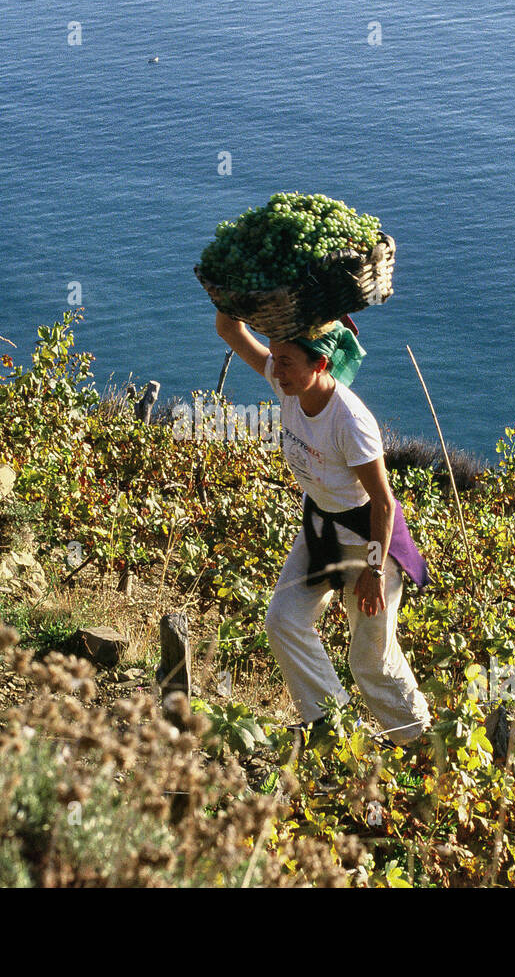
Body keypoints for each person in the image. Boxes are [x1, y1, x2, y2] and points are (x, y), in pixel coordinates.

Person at [214, 310, 432, 750]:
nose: (275, 368)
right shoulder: (288, 384)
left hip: (371, 542)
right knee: (283, 620)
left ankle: (418, 741)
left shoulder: (350, 421)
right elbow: (229, 329)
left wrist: (372, 573)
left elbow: (384, 505)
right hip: (320, 529)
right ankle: (332, 726)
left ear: (321, 365)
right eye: (274, 357)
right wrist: (234, 295)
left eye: (287, 360)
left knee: (370, 659)